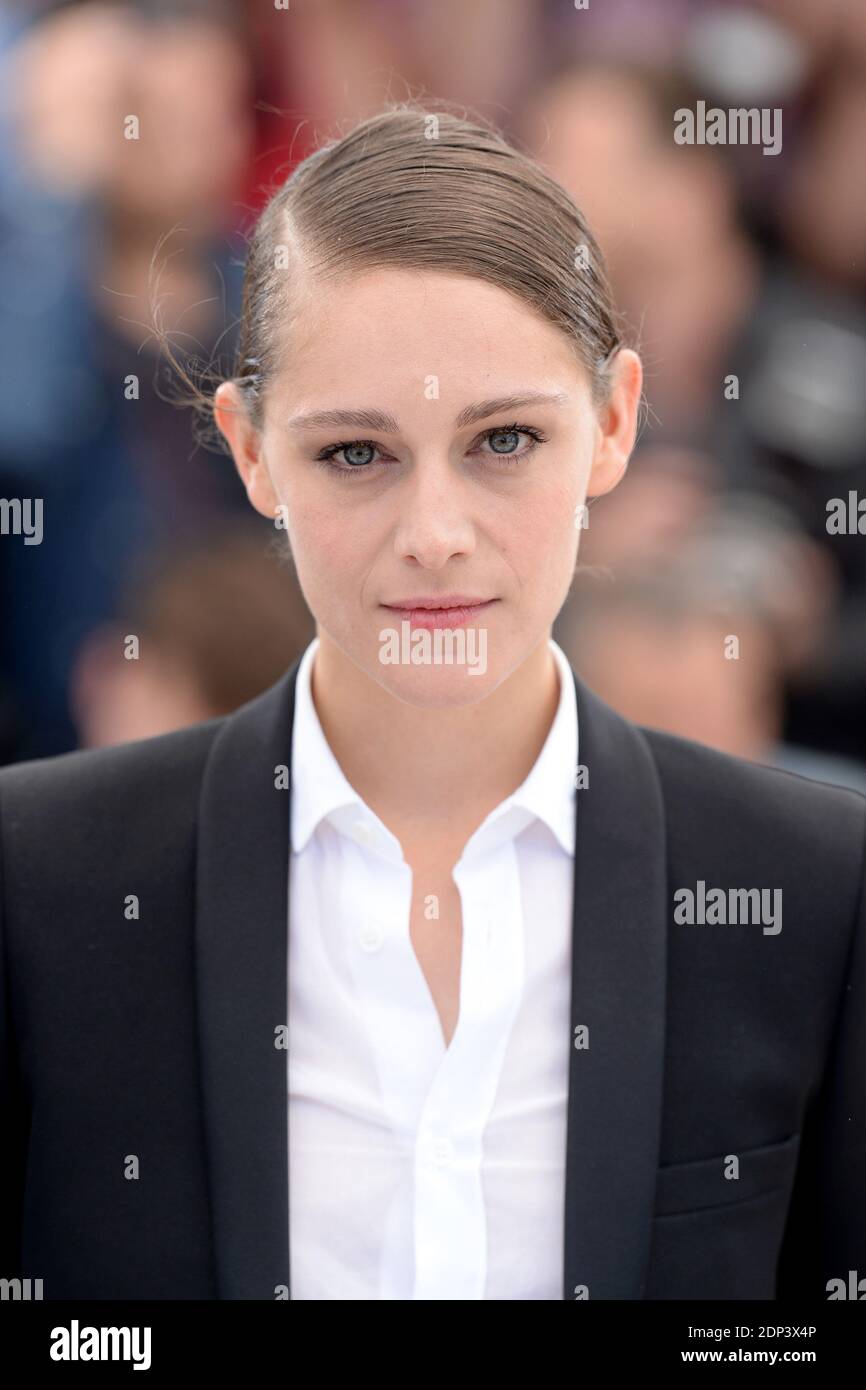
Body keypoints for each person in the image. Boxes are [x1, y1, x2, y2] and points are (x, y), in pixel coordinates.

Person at [0, 106, 864, 1302]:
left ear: (612, 423)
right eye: (356, 453)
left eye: (503, 439)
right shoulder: (40, 877)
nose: (435, 538)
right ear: (250, 452)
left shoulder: (815, 887)